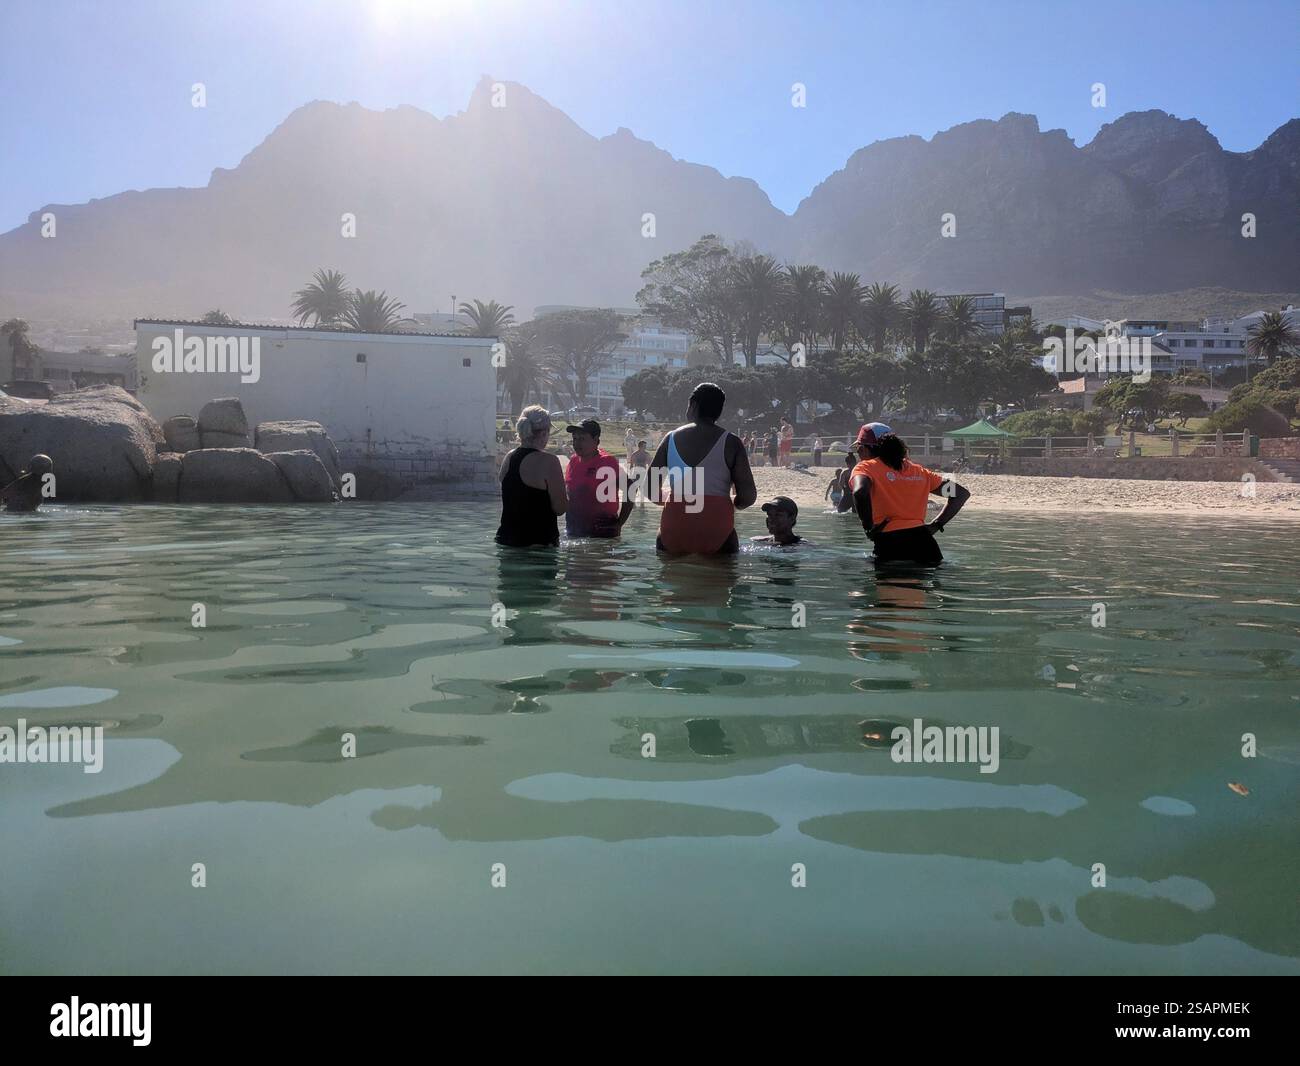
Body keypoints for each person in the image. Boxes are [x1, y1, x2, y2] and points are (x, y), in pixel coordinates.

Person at [649, 381, 756, 554]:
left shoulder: (670, 439)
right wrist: (731, 503)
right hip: (717, 527)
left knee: (669, 576)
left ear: (693, 405)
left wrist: (675, 499)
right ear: (719, 410)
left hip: (674, 526)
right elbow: (748, 497)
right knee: (722, 576)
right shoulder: (731, 443)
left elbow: (650, 489)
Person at [848, 422, 969, 565]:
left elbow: (860, 492)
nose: (859, 454)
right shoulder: (918, 471)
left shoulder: (866, 468)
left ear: (866, 449)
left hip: (891, 543)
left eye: (859, 449)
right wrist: (936, 525)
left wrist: (868, 527)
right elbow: (960, 494)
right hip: (926, 544)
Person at [495, 406, 566, 547]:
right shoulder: (549, 461)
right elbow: (560, 508)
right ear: (544, 433)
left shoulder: (509, 457)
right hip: (538, 545)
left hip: (506, 541)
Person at [565, 419, 633, 538]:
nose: (576, 443)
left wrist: (619, 523)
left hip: (601, 535)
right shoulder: (573, 461)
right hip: (574, 531)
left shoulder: (607, 462)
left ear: (596, 440)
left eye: (582, 439)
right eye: (574, 439)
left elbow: (630, 487)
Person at [627, 438, 651, 503]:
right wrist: (630, 474)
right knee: (635, 487)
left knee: (642, 487)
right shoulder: (634, 454)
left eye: (645, 446)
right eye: (644, 446)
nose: (645, 447)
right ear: (640, 446)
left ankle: (642, 502)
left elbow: (650, 465)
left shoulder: (647, 454)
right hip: (636, 472)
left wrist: (649, 475)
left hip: (643, 472)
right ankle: (633, 502)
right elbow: (631, 465)